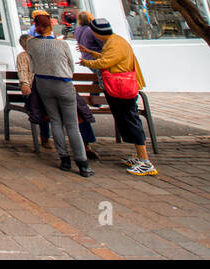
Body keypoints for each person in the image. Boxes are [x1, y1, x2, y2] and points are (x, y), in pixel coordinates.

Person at [79, 19, 156, 176]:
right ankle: (139, 156)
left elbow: (105, 61)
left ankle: (145, 161)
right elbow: (108, 57)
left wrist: (86, 61)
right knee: (125, 118)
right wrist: (92, 52)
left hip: (122, 88)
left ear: (96, 32)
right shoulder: (114, 42)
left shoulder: (115, 44)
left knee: (130, 119)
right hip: (117, 88)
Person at [26, 12, 92, 177]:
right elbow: (71, 67)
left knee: (55, 120)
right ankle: (82, 163)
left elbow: (32, 66)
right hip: (63, 83)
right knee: (72, 125)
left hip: (43, 84)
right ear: (51, 26)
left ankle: (64, 159)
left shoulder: (31, 44)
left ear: (35, 26)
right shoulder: (62, 45)